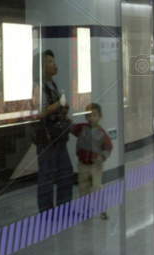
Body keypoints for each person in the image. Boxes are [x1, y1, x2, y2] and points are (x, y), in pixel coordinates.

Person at [33, 49, 74, 211]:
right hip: (46, 137)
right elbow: (39, 112)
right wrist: (58, 105)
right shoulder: (37, 86)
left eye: (53, 61)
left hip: (58, 136)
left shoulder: (53, 84)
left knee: (65, 172)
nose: (54, 65)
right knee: (47, 175)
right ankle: (47, 211)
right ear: (41, 66)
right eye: (50, 62)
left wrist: (63, 111)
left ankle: (64, 208)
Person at [70, 102, 114, 221]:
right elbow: (71, 128)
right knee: (83, 187)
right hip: (82, 165)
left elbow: (108, 147)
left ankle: (102, 210)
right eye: (88, 115)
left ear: (100, 117)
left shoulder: (102, 133)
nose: (91, 118)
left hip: (96, 166)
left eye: (94, 115)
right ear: (85, 117)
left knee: (96, 188)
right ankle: (85, 210)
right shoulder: (81, 128)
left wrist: (102, 157)